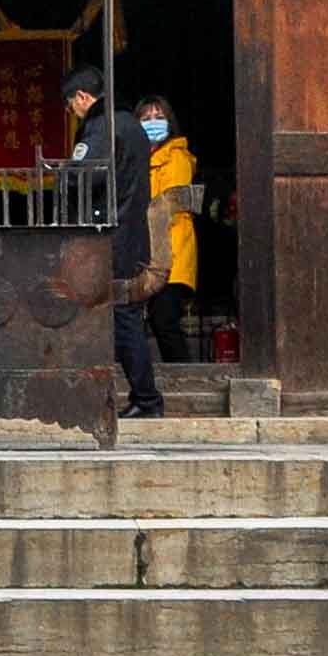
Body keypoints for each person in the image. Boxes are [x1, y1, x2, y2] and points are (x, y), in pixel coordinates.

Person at [64, 70, 165, 420]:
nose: (72, 112)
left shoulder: (102, 128)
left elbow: (84, 176)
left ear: (81, 97)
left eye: (70, 105)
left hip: (111, 237)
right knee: (123, 315)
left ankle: (147, 399)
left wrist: (64, 175)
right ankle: (137, 396)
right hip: (130, 232)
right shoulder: (129, 125)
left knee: (121, 316)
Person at [141, 96, 200, 367]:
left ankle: (183, 374)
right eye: (146, 118)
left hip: (172, 251)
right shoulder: (143, 157)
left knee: (164, 319)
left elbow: (167, 205)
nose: (153, 123)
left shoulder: (176, 157)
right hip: (150, 254)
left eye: (158, 117)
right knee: (155, 319)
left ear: (170, 122)